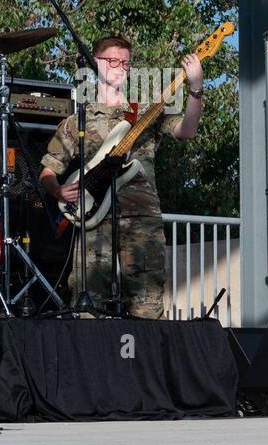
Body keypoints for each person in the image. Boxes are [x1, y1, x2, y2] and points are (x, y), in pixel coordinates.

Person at [38, 36, 204, 319]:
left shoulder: (148, 110)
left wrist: (196, 89)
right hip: (93, 219)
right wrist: (57, 192)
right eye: (113, 61)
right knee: (88, 305)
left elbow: (186, 131)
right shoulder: (79, 118)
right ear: (96, 63)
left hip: (141, 217)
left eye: (126, 62)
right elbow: (48, 170)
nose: (121, 67)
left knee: (148, 307)